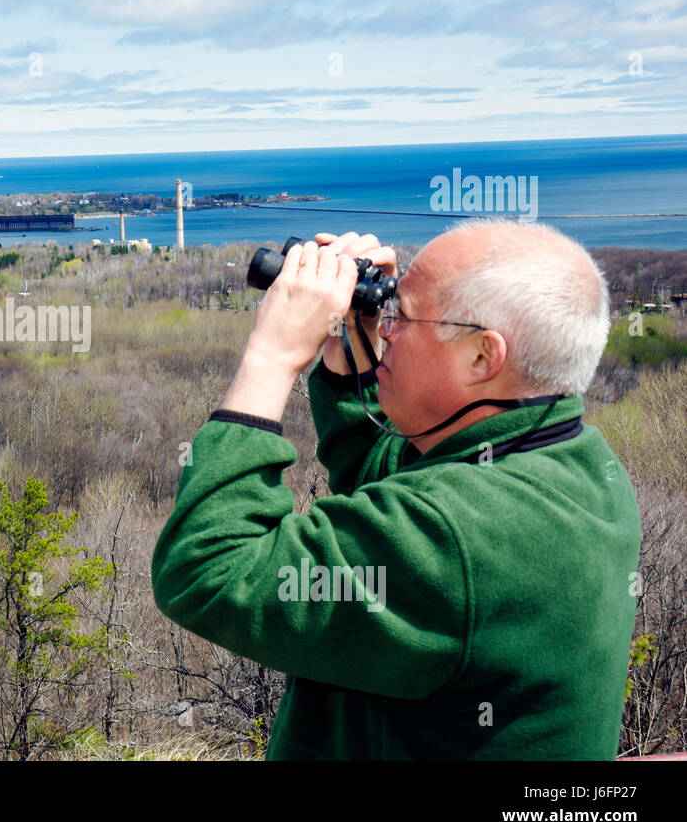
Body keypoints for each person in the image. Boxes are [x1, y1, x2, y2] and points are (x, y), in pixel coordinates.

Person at [151, 220, 641, 759]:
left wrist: (272, 358)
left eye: (403, 316)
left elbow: (208, 570)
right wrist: (352, 357)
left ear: (483, 356)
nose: (385, 329)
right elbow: (403, 487)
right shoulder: (580, 466)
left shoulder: (460, 536)